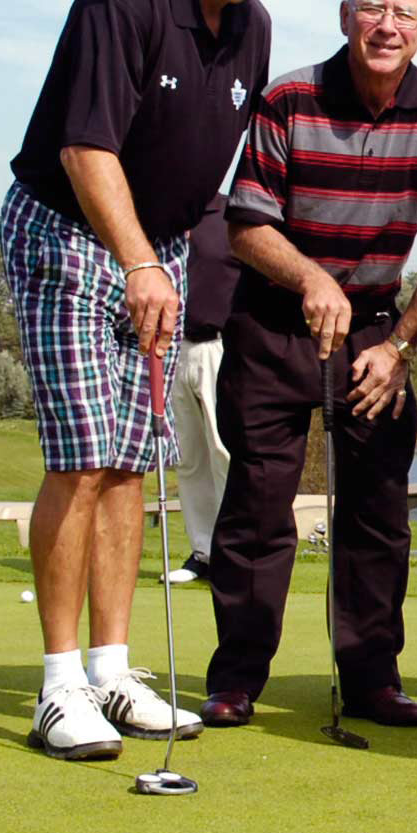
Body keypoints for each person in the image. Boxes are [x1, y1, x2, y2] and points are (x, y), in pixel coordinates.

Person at [0, 0, 311, 761]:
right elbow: (85, 148)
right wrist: (140, 260)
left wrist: (164, 259)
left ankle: (111, 669)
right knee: (83, 456)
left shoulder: (251, 30)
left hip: (157, 253)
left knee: (134, 462)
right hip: (67, 235)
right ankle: (59, 686)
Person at [200, 0, 417, 730]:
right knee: (257, 511)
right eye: (371, 9)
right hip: (270, 323)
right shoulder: (288, 100)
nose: (386, 25)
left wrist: (399, 346)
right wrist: (308, 278)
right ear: (344, 16)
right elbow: (245, 224)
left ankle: (370, 679)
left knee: (376, 515)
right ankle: (235, 679)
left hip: (374, 335)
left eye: (403, 14)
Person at [162, 196, 242, 584]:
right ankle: (204, 553)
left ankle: (234, 552)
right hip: (173, 349)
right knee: (189, 459)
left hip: (219, 347)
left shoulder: (232, 215)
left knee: (223, 452)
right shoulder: (164, 212)